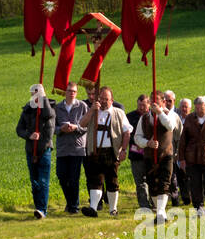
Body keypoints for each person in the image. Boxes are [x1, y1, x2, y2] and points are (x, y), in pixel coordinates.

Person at [79, 86, 130, 217]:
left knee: (112, 181)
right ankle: (93, 208)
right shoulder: (93, 111)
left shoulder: (118, 113)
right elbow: (82, 124)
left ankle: (113, 209)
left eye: (106, 99)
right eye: (101, 98)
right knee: (95, 180)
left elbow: (126, 132)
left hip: (112, 152)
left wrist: (123, 150)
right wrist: (91, 111)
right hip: (94, 152)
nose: (103, 101)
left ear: (111, 100)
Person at [134, 96, 181, 225]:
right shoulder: (144, 118)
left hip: (166, 155)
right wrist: (147, 143)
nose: (154, 104)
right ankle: (161, 212)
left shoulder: (169, 114)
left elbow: (170, 126)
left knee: (164, 182)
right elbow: (137, 137)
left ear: (163, 102)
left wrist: (160, 112)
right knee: (152, 184)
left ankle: (160, 212)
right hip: (149, 156)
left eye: (157, 102)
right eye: (152, 102)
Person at [16, 84, 56, 219]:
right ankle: (38, 207)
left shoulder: (48, 109)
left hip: (44, 150)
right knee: (34, 182)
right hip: (30, 150)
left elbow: (48, 115)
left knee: (43, 180)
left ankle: (42, 210)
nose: (35, 96)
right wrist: (29, 135)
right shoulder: (27, 110)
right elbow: (19, 129)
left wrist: (43, 98)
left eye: (37, 94)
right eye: (33, 94)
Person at [52, 82, 88, 214]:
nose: (72, 93)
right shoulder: (57, 108)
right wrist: (60, 129)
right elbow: (52, 127)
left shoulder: (82, 106)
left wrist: (76, 128)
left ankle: (74, 206)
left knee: (73, 178)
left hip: (77, 148)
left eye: (74, 91)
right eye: (69, 91)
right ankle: (70, 202)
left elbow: (87, 126)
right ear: (64, 92)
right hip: (62, 148)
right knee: (61, 176)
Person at [126, 94, 153, 211]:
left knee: (152, 179)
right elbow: (127, 134)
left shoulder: (152, 116)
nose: (141, 107)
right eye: (139, 105)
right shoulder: (130, 117)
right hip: (136, 154)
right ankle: (144, 205)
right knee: (140, 181)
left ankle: (154, 202)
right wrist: (137, 142)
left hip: (151, 154)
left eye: (144, 105)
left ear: (149, 105)